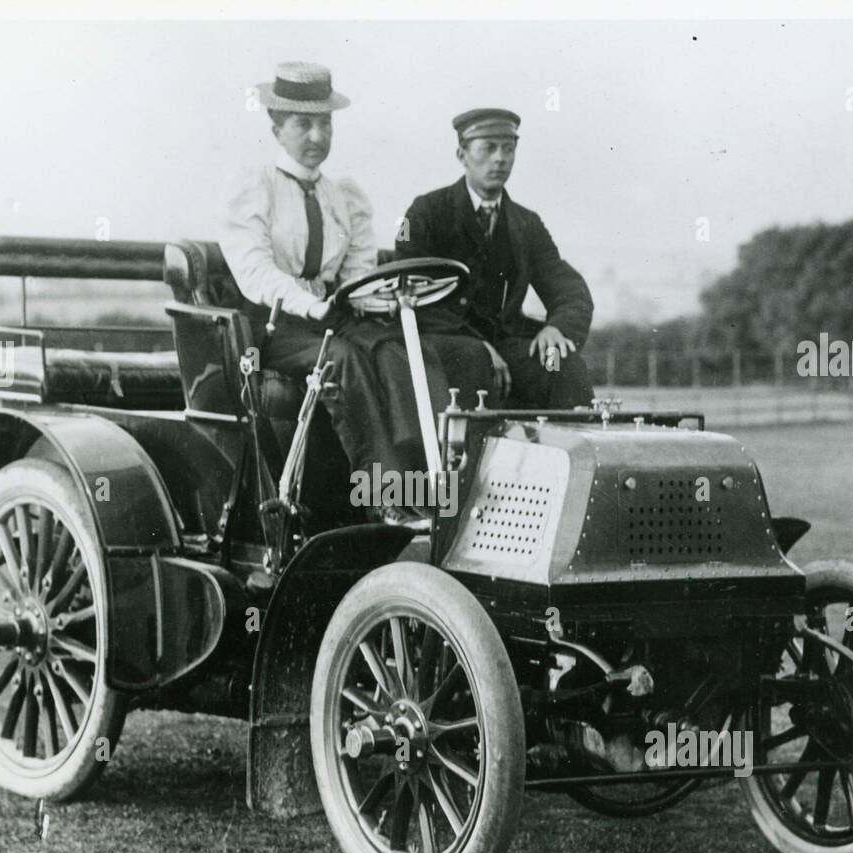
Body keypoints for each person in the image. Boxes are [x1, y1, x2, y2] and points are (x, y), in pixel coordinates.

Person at [220, 63, 488, 523]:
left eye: (325, 123)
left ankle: (430, 481)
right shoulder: (255, 187)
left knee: (397, 349)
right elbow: (255, 271)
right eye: (303, 124)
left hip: (331, 313)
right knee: (342, 360)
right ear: (276, 129)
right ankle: (382, 496)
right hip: (274, 324)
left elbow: (358, 274)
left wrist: (382, 300)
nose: (317, 136)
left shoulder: (342, 195)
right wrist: (311, 303)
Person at [396, 108, 595, 409]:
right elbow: (410, 292)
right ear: (462, 154)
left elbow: (568, 289)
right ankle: (465, 456)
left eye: (508, 148)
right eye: (488, 148)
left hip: (508, 342)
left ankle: (570, 454)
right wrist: (478, 345)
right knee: (474, 362)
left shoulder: (526, 223)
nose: (500, 158)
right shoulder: (426, 212)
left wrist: (557, 329)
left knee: (560, 363)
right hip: (446, 341)